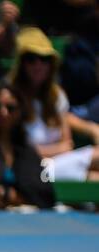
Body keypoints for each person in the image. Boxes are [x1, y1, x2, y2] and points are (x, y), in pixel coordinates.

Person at [9, 28, 99, 182]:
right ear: (21, 64)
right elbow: (15, 151)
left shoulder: (57, 96)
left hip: (58, 165)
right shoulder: (10, 100)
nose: (38, 65)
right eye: (31, 58)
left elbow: (67, 144)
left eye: (44, 59)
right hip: (28, 169)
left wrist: (42, 151)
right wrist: (55, 150)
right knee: (93, 178)